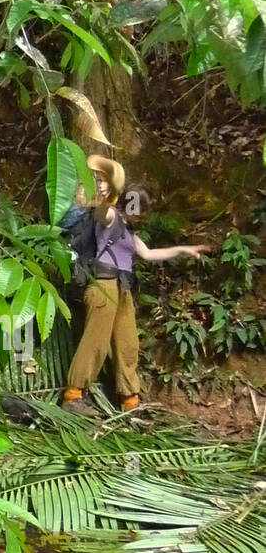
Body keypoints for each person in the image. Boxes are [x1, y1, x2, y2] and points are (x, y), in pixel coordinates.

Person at [61, 156, 209, 415]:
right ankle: (73, 395)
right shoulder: (109, 220)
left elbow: (150, 254)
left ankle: (130, 400)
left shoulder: (129, 233)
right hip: (103, 286)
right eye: (136, 206)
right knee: (96, 340)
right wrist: (109, 192)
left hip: (122, 289)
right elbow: (102, 211)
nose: (139, 213)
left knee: (127, 343)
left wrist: (185, 249)